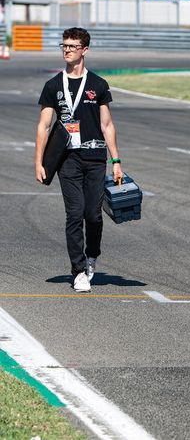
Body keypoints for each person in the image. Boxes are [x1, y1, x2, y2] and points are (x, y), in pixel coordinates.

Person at [34, 28, 123, 293]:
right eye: (64, 45)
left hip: (95, 157)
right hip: (67, 160)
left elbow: (107, 125)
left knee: (93, 215)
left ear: (85, 50)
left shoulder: (98, 84)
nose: (67, 49)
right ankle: (78, 270)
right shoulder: (53, 86)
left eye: (73, 46)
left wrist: (116, 160)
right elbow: (43, 126)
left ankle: (92, 254)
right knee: (74, 214)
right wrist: (39, 161)